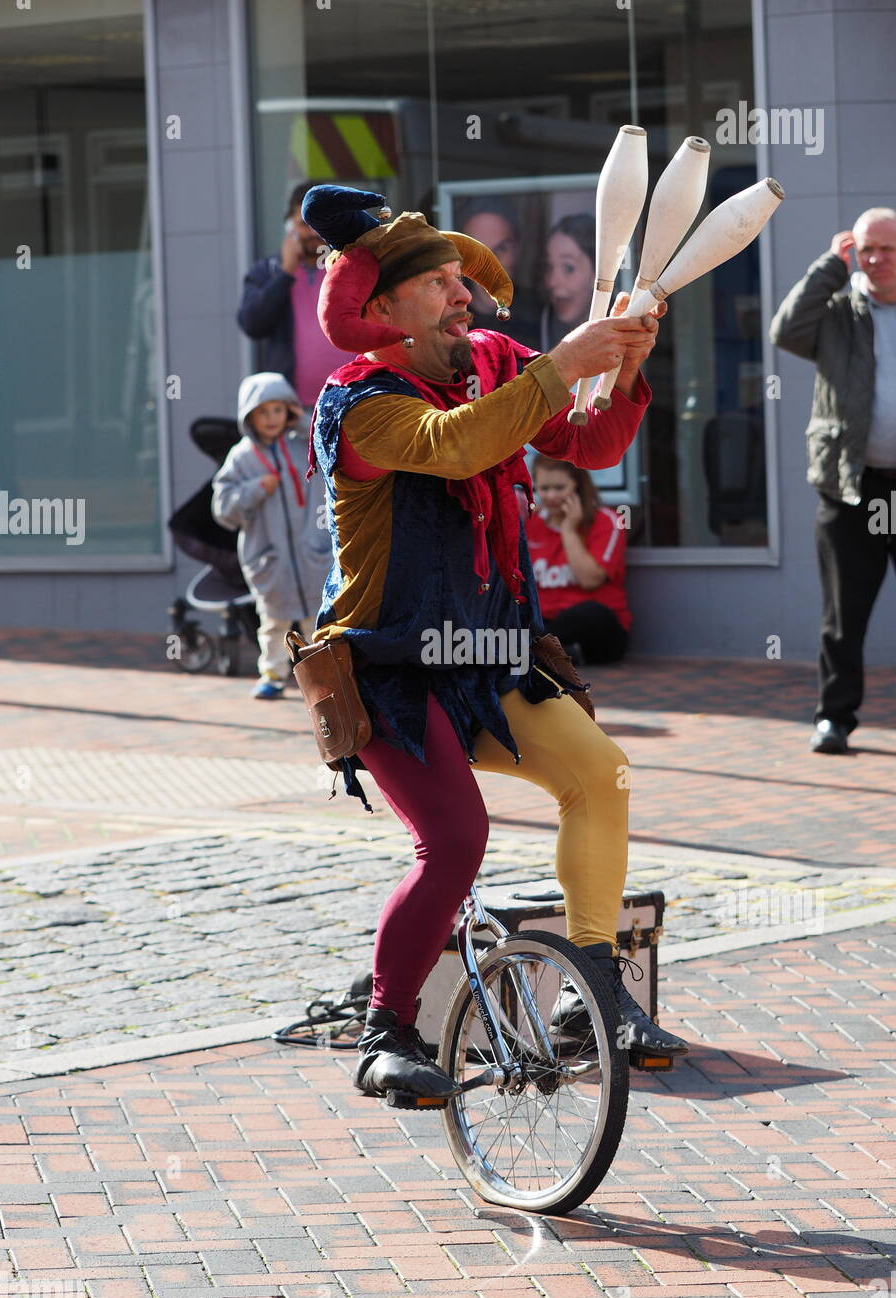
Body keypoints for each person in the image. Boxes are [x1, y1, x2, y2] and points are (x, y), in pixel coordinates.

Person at [301, 183, 688, 1103]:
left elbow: (586, 441)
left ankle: (589, 993)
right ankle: (386, 1030)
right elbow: (455, 445)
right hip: (389, 667)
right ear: (382, 311)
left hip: (487, 655)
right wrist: (558, 364)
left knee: (600, 774)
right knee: (455, 839)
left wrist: (626, 362)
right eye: (438, 283)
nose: (462, 293)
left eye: (457, 279)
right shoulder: (358, 403)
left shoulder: (492, 359)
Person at [771, 207, 896, 754]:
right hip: (850, 488)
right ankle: (834, 718)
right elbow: (784, 329)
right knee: (843, 617)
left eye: (887, 249)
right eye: (866, 248)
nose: (876, 259)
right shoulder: (836, 314)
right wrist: (830, 267)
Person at [212, 372, 331, 699]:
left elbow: (326, 440)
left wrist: (302, 419)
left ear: (289, 411)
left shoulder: (301, 444)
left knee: (317, 621)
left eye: (278, 410)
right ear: (248, 415)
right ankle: (272, 674)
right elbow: (223, 509)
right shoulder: (242, 457)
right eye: (263, 412)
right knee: (274, 623)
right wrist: (254, 490)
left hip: (312, 553)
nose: (271, 418)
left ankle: (324, 680)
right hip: (269, 558)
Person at [236, 182, 351, 408]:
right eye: (305, 224)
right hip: (293, 412)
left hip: (352, 402)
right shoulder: (268, 271)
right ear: (290, 226)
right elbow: (252, 324)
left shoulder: (351, 265)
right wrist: (286, 272)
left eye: (321, 222)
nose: (314, 232)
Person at [526, 455, 631, 664]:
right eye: (544, 489)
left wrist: (568, 530)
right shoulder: (530, 524)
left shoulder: (608, 521)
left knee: (591, 613)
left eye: (559, 487)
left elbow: (590, 580)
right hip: (545, 621)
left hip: (597, 632)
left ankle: (537, 652)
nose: (551, 496)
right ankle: (552, 653)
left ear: (577, 484)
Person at [458, 197, 541, 347]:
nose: (491, 264)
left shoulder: (540, 315)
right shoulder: (452, 318)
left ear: (517, 249)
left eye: (501, 249)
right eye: (477, 253)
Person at [539, 213, 596, 351]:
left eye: (568, 268)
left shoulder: (624, 325)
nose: (552, 282)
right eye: (549, 267)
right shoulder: (541, 325)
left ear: (598, 273)